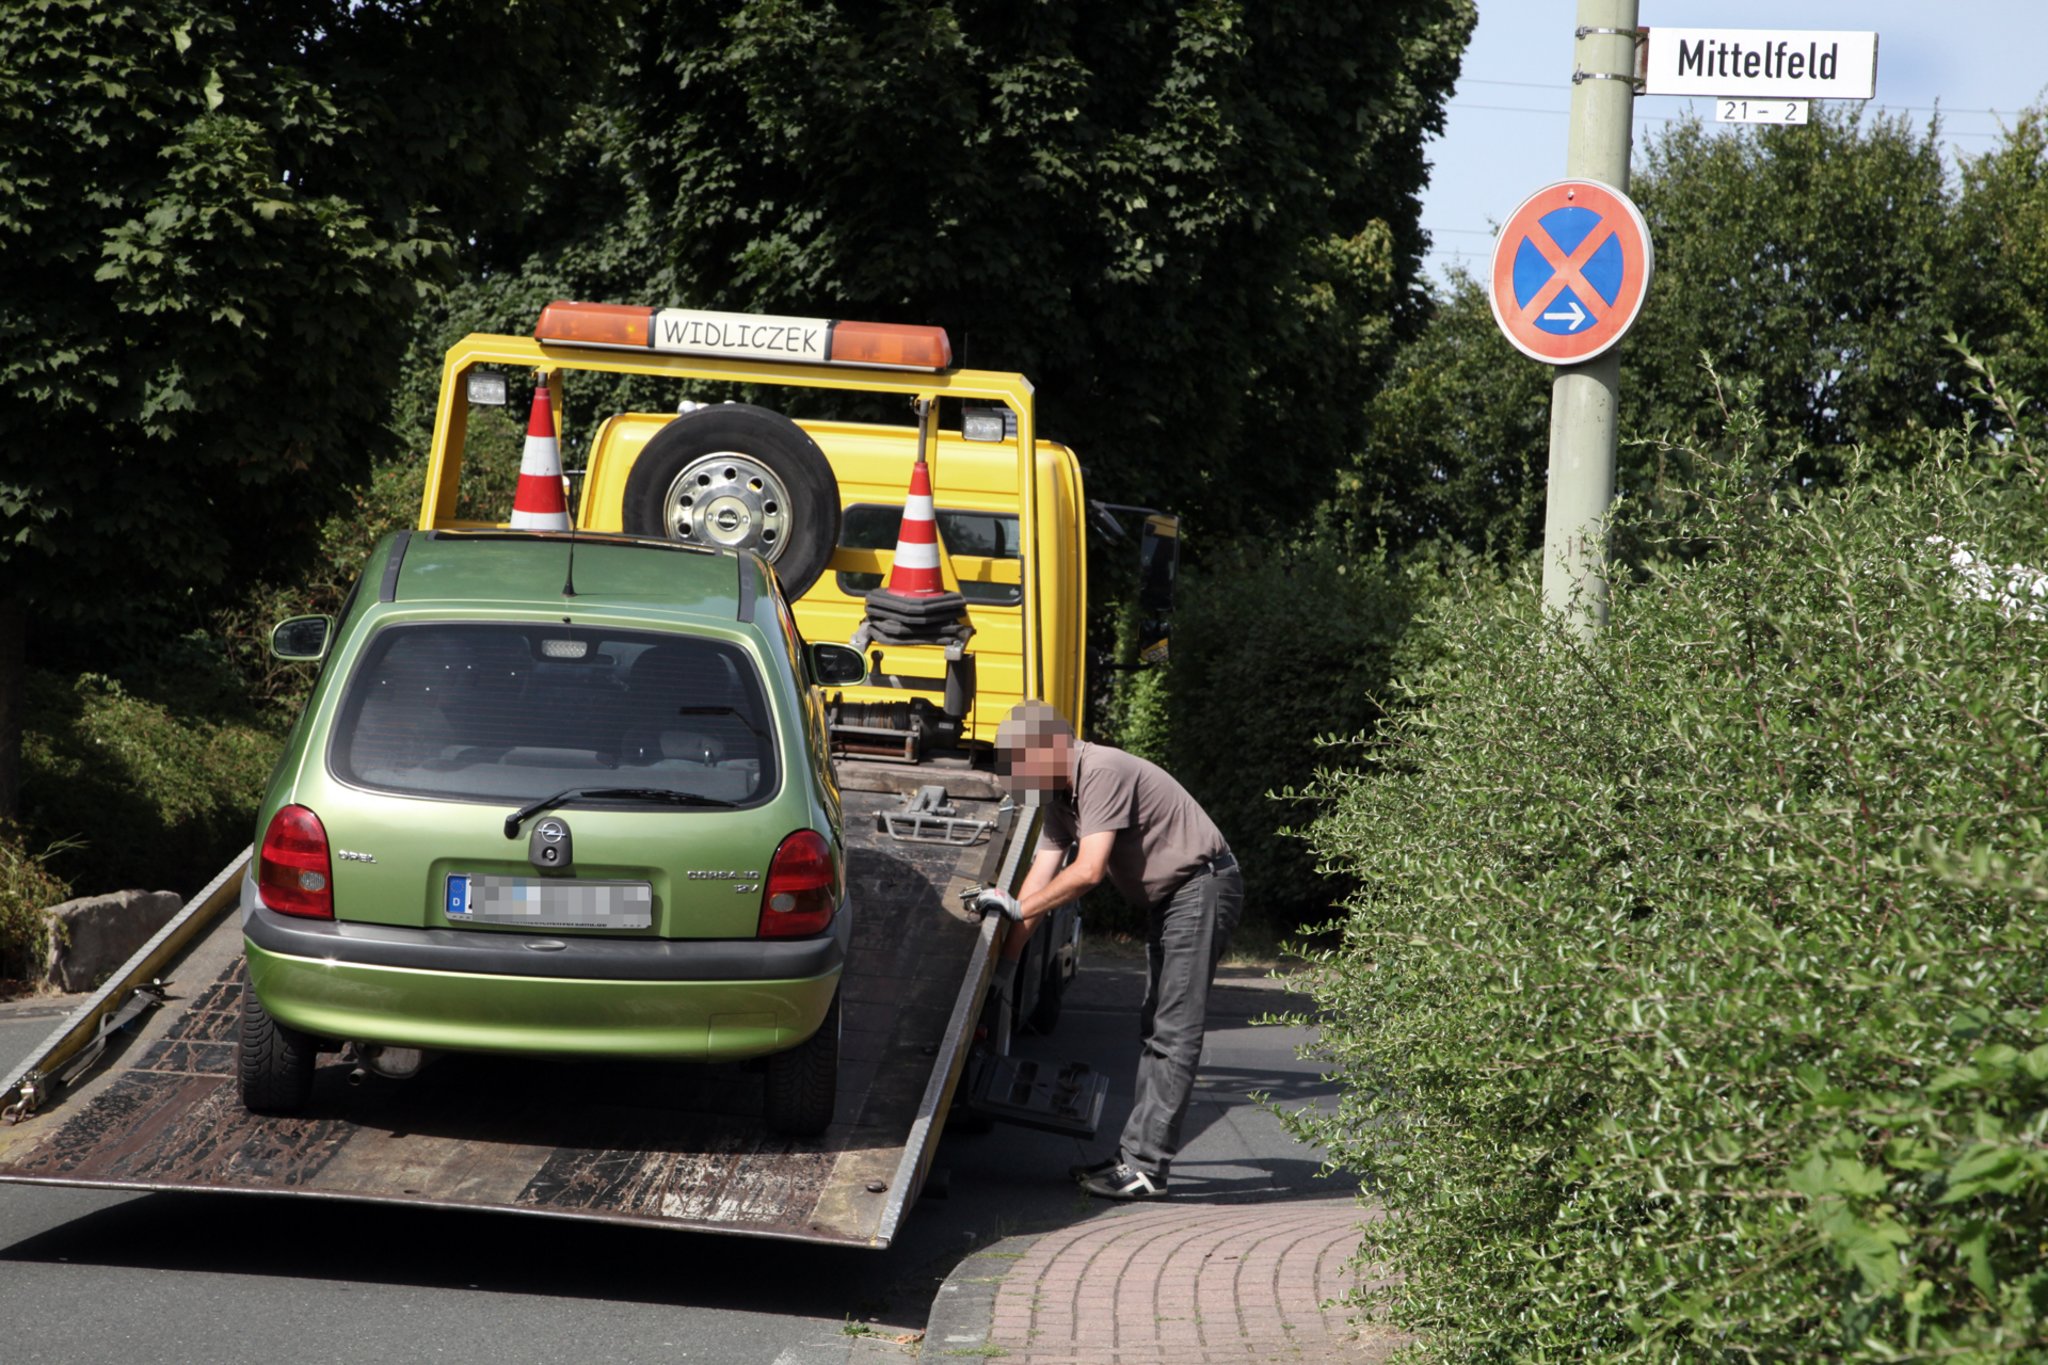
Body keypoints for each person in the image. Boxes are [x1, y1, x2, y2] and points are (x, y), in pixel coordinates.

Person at [973, 699, 1242, 1201]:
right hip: (1172, 899)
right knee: (1155, 1028)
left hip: (1201, 887)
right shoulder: (1059, 796)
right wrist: (1004, 967)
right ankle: (1133, 1157)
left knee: (1173, 1031)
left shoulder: (1101, 770)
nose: (1022, 782)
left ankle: (1146, 1168)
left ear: (1052, 748)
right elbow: (1039, 879)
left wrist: (1018, 909)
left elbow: (1089, 870)